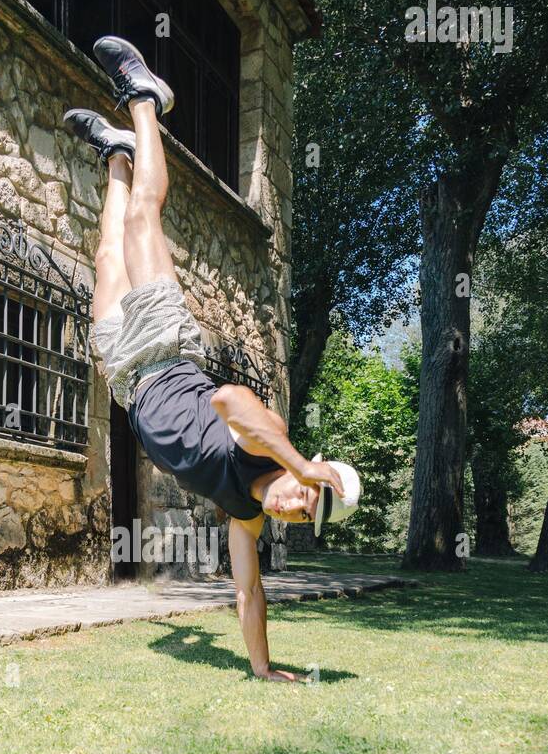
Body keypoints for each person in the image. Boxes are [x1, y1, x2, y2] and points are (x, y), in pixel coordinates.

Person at [64, 37, 360, 682]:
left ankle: (116, 154)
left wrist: (260, 668)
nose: (292, 508)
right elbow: (229, 401)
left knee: (107, 257)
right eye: (305, 499)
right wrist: (299, 461)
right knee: (146, 218)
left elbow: (248, 593)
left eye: (303, 518)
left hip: (129, 380)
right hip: (168, 349)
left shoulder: (247, 515)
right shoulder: (269, 448)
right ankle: (146, 98)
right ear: (308, 481)